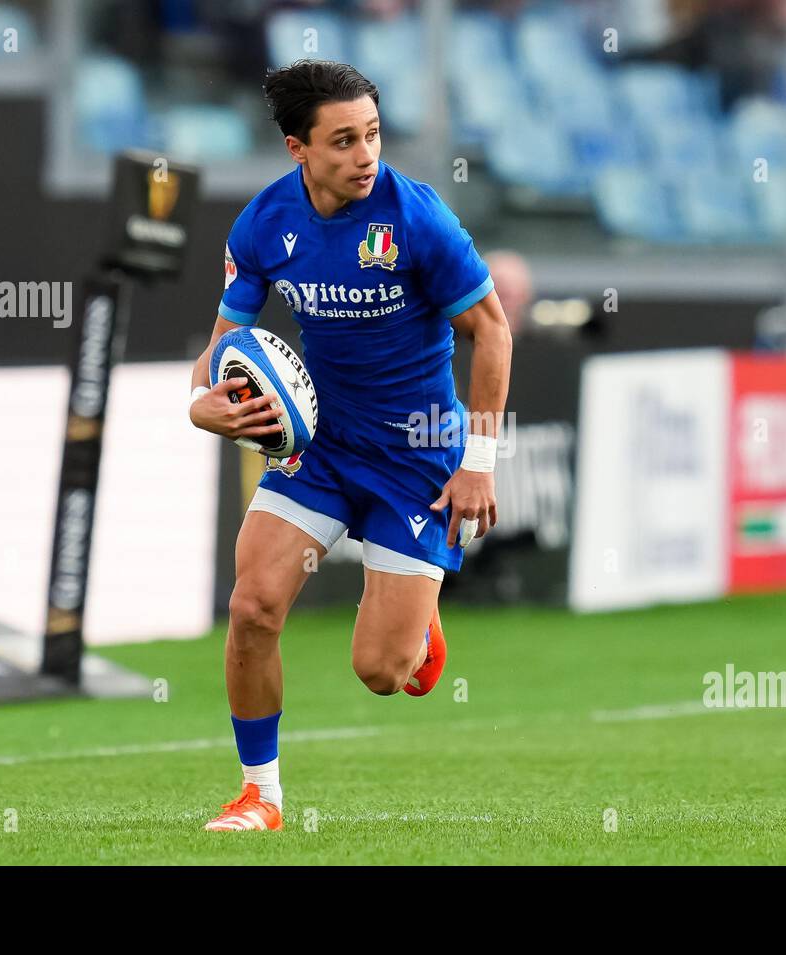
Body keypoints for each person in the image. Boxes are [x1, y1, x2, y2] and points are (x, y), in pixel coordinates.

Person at [188, 60, 513, 831]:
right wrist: (206, 407)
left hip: (415, 458)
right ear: (298, 147)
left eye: (371, 134)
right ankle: (259, 795)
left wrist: (479, 461)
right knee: (253, 603)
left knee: (380, 671)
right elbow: (220, 353)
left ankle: (417, 620)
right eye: (343, 141)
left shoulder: (418, 217)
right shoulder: (264, 225)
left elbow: (492, 329)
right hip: (322, 448)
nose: (365, 154)